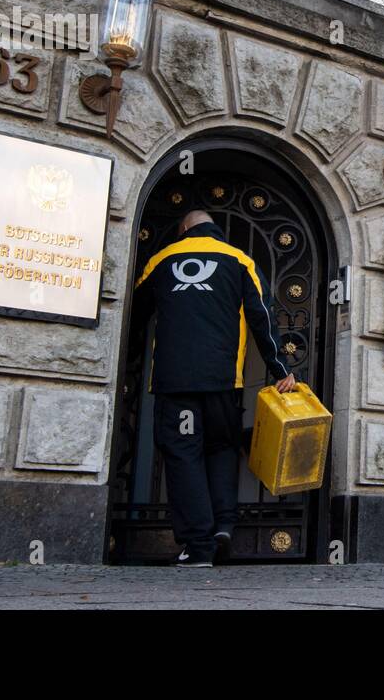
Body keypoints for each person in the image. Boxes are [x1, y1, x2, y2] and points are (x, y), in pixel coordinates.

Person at [130, 210, 295, 567]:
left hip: (177, 383)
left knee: (183, 453)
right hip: (224, 382)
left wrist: (125, 367)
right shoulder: (240, 259)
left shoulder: (162, 258)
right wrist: (280, 368)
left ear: (184, 229)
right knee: (221, 448)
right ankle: (223, 527)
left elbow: (134, 313)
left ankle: (198, 545)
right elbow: (262, 316)